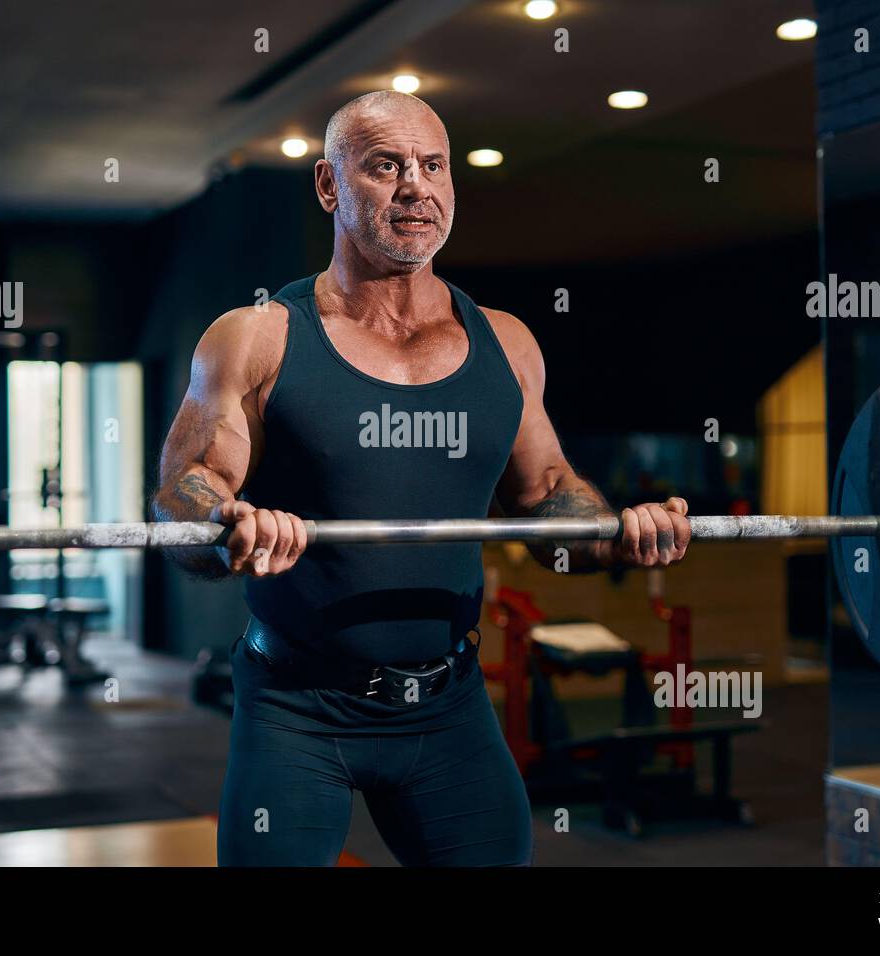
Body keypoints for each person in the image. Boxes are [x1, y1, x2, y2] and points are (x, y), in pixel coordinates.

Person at [151, 91, 690, 866]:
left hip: (449, 708)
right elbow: (184, 490)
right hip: (296, 707)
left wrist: (617, 536)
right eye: (385, 165)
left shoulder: (506, 344)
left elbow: (546, 499)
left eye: (433, 165)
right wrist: (227, 524)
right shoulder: (259, 337)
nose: (416, 185)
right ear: (329, 186)